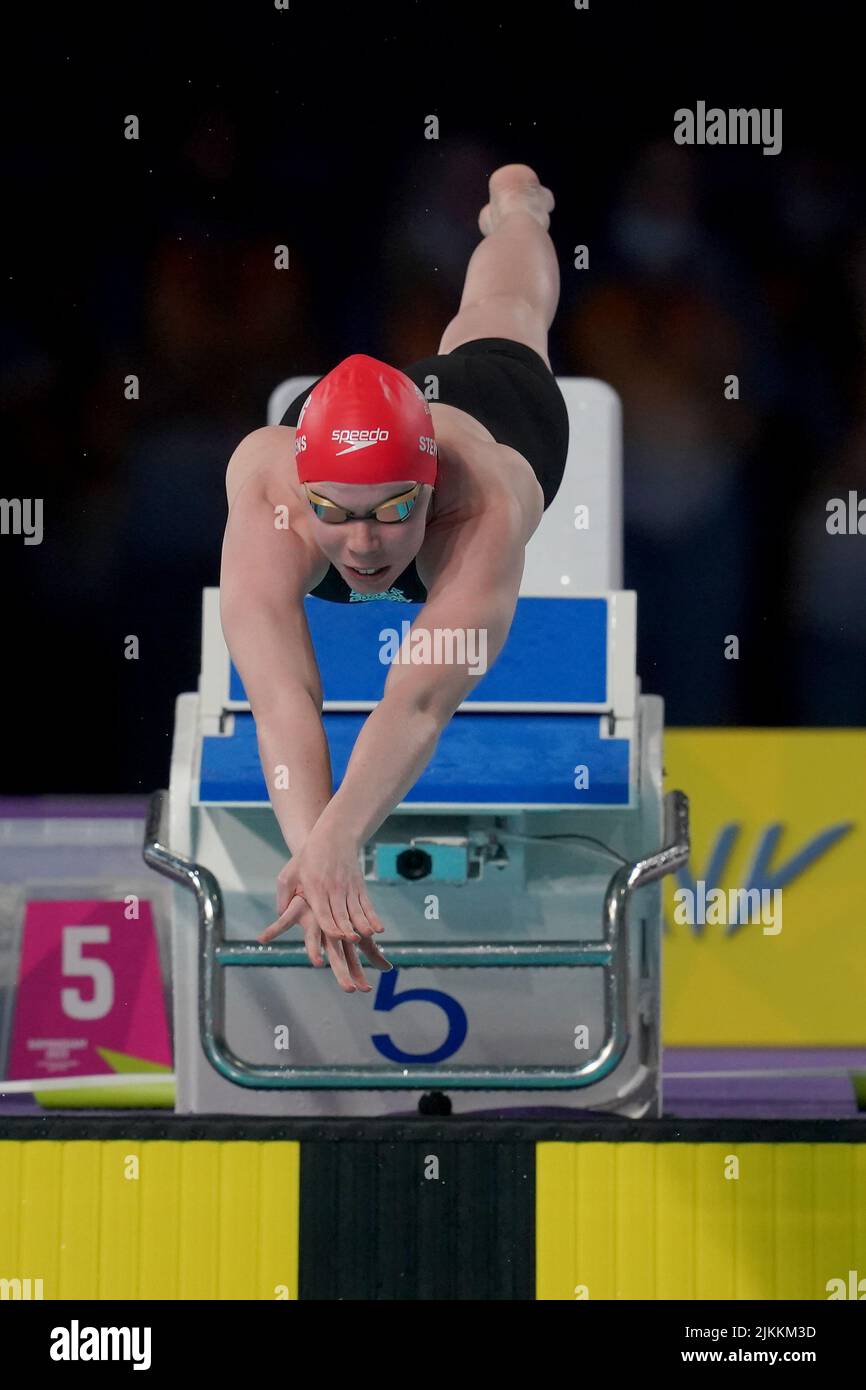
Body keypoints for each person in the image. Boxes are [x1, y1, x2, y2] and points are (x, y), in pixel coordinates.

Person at [220, 163, 569, 993]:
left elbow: (415, 702)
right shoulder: (268, 491)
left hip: (492, 408)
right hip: (352, 430)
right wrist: (314, 855)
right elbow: (281, 698)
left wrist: (342, 836)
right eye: (336, 514)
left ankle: (519, 208)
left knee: (503, 313)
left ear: (429, 490)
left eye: (392, 511)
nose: (365, 545)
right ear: (304, 490)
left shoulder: (483, 504)